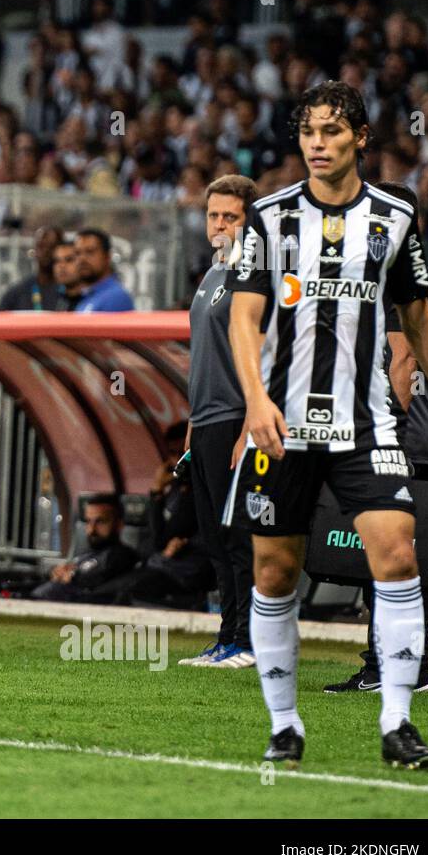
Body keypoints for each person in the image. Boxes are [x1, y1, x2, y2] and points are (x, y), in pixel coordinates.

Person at [225, 80, 428, 770]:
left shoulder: (394, 215)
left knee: (395, 554)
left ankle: (397, 722)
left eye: (332, 131)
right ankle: (284, 725)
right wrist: (254, 398)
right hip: (284, 424)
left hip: (367, 425)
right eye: (309, 132)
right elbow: (244, 317)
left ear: (360, 136)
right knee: (275, 574)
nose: (318, 144)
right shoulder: (269, 218)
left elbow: (418, 316)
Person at [324, 182, 428, 694]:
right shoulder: (426, 279)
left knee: (386, 556)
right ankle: (411, 667)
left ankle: (389, 666)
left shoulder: (396, 276)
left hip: (403, 433)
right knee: (403, 557)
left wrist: (384, 432)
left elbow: (403, 360)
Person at [177, 174, 258, 669]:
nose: (220, 223)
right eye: (214, 215)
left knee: (239, 535)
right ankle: (227, 635)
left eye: (231, 215)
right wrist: (191, 422)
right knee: (213, 535)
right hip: (206, 420)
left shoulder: (257, 274)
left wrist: (251, 423)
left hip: (236, 418)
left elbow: (266, 356)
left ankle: (248, 640)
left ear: (250, 219)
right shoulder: (211, 274)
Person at [96, 424, 214, 609]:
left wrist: (156, 494)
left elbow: (160, 539)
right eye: (172, 453)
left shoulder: (198, 492)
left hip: (184, 573)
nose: (176, 460)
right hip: (160, 565)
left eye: (182, 454)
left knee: (125, 594)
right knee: (102, 591)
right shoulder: (175, 489)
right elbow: (155, 539)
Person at [30, 494, 139, 603]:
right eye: (88, 521)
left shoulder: (121, 556)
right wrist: (57, 572)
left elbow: (96, 578)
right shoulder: (84, 556)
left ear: (119, 525)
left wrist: (72, 576)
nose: (92, 529)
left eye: (100, 522)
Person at [73, 228, 135, 312]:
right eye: (77, 253)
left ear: (107, 256)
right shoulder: (88, 296)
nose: (82, 259)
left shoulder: (115, 297)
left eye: (90, 252)